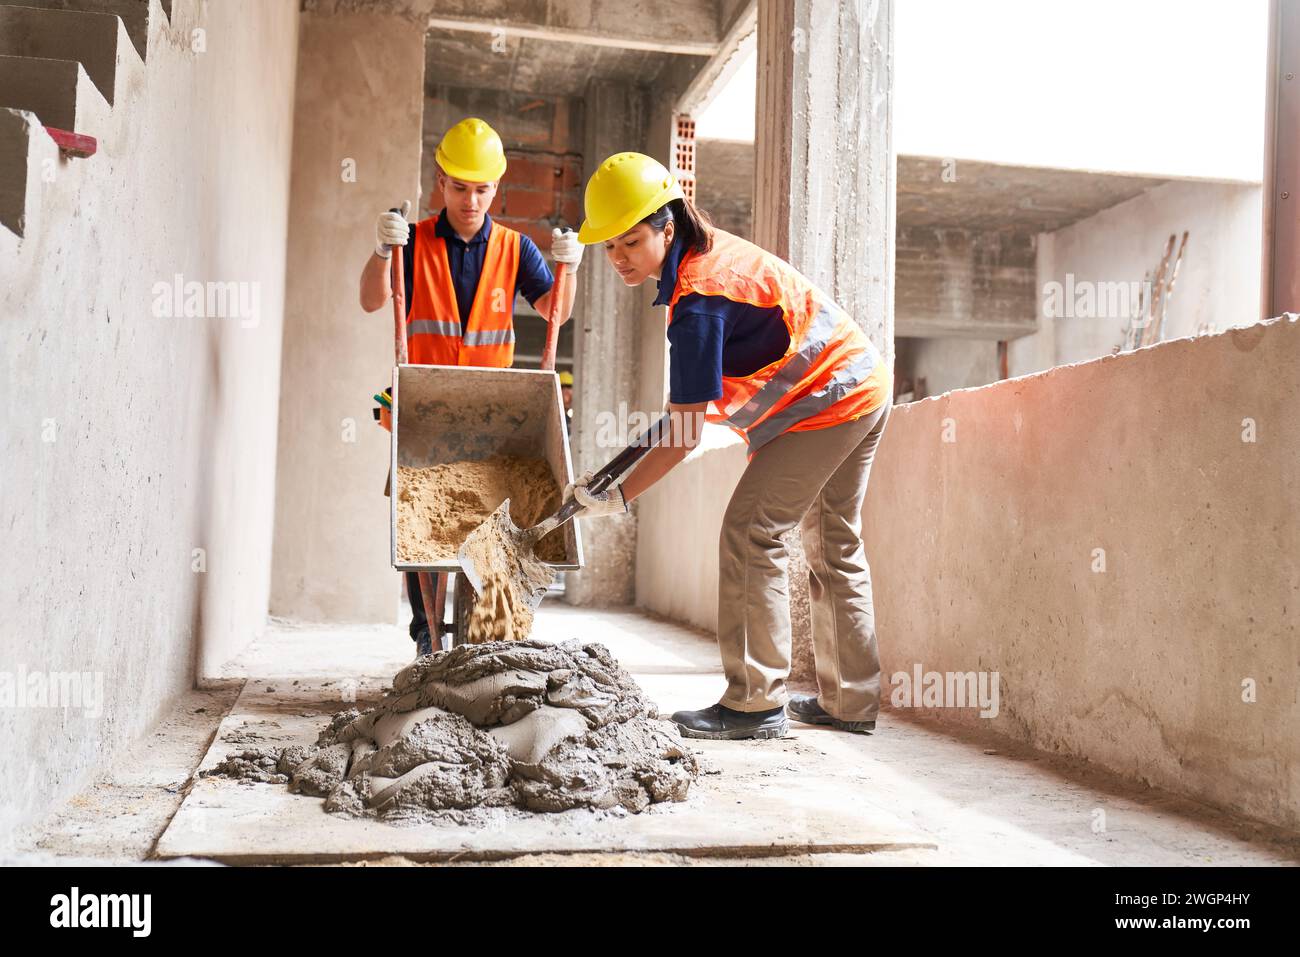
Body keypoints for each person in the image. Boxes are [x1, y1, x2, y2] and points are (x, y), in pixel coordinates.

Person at [565, 152, 892, 740]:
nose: (618, 258)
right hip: (862, 382)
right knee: (832, 538)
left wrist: (617, 499)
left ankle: (754, 702)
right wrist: (613, 480)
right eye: (609, 246)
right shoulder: (701, 261)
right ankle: (851, 701)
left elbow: (685, 435)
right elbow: (681, 419)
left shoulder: (698, 302)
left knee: (750, 531)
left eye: (631, 242)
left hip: (829, 404)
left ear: (668, 226)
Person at [359, 117, 584, 657]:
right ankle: (426, 634)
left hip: (493, 408)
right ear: (441, 183)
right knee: (418, 526)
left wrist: (568, 268)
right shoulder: (414, 244)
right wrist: (383, 253)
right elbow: (371, 300)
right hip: (423, 404)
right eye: (460, 187)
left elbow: (557, 312)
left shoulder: (516, 249)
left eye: (482, 188)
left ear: (496, 189)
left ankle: (492, 619)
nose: (470, 199)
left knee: (493, 519)